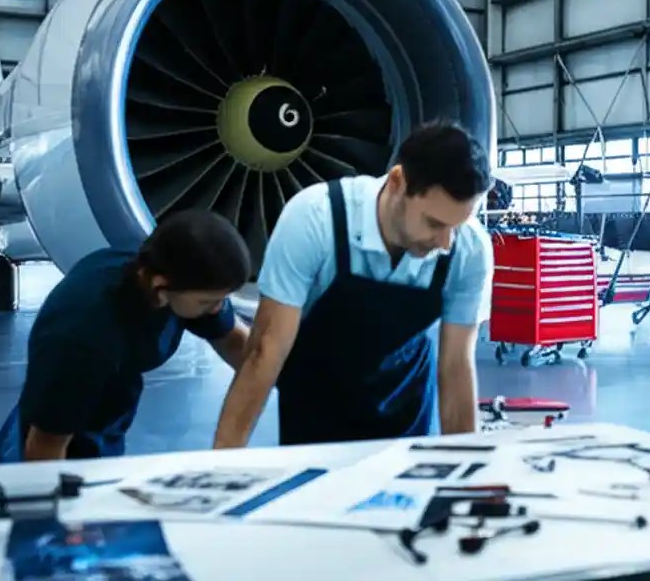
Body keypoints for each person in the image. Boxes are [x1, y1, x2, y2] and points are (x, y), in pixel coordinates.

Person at [212, 121, 495, 447]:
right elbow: (265, 351)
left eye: (457, 227)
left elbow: (456, 367)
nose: (446, 243)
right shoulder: (315, 218)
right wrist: (221, 463)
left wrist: (466, 476)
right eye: (434, 223)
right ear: (398, 182)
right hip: (314, 404)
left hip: (404, 404)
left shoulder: (470, 249)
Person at [0, 209, 255, 462]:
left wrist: (290, 384)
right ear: (161, 286)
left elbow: (235, 343)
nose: (217, 309)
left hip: (107, 410)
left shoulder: (175, 274)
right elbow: (45, 447)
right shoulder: (83, 332)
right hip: (51, 426)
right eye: (209, 302)